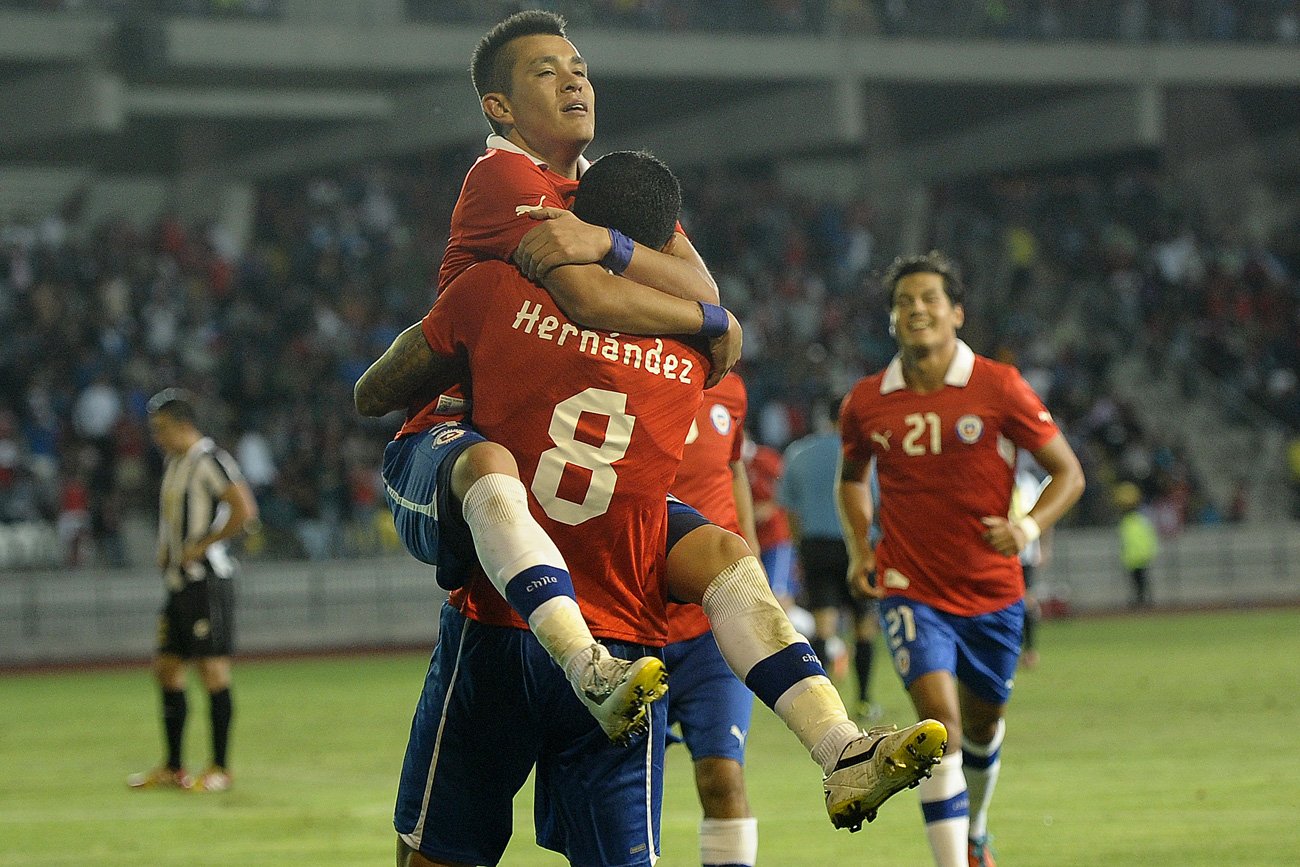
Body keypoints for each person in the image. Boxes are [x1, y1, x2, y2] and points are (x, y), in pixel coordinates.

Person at [363, 11, 945, 835]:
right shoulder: (501, 181)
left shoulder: (603, 193)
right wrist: (695, 320)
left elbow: (701, 296)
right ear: (497, 107)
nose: (574, 79)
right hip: (448, 435)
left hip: (556, 486)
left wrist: (610, 241)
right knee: (488, 464)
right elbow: (627, 302)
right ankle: (597, 668)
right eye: (545, 71)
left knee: (720, 550)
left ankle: (841, 747)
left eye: (580, 66)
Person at [836, 251, 1085, 867]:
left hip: (992, 592)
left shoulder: (998, 386)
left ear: (956, 313)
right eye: (904, 302)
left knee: (981, 727)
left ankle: (974, 828)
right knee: (938, 727)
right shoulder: (866, 402)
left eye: (928, 299)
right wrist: (861, 545)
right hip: (910, 586)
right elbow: (850, 480)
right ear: (892, 319)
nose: (916, 309)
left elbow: (1068, 473)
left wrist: (1027, 527)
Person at [128, 389, 259, 794]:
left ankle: (220, 768)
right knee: (167, 669)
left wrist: (203, 544)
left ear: (183, 425)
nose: (157, 437)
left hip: (207, 582)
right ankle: (173, 767)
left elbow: (244, 509)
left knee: (213, 672)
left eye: (161, 429)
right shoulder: (175, 462)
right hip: (178, 584)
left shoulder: (210, 459)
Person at [664, 370, 761, 867]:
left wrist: (752, 554)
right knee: (626, 794)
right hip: (632, 623)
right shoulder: (619, 371)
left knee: (723, 776)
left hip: (713, 625)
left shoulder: (730, 388)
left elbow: (733, 467)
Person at [781, 399, 883, 724]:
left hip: (815, 547)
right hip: (857, 545)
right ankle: (864, 701)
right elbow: (877, 503)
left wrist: (801, 547)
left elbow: (790, 510)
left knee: (824, 627)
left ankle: (823, 707)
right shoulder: (865, 455)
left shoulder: (798, 453)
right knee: (863, 627)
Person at [744, 436, 808, 631]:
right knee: (760, 597)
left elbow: (787, 488)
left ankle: (793, 643)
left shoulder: (764, 459)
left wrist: (770, 507)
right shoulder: (737, 466)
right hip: (754, 542)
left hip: (777, 540)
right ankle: (823, 640)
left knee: (778, 594)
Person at [1115, 481, 1158, 608]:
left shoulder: (1129, 521)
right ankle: (1142, 601)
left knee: (1140, 582)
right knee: (1139, 582)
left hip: (1136, 557)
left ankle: (1143, 602)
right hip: (1136, 557)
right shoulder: (1140, 520)